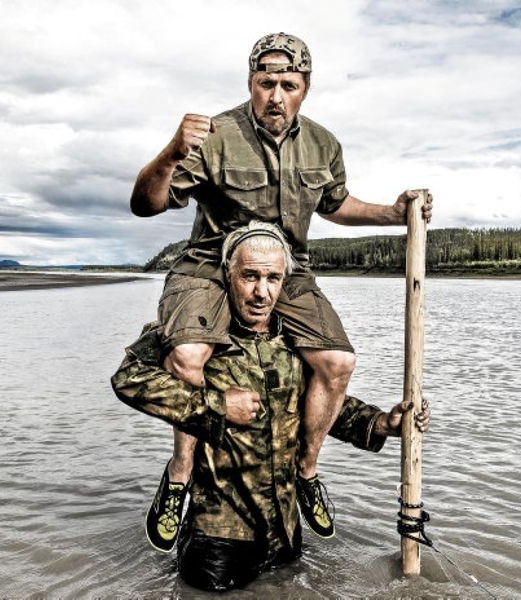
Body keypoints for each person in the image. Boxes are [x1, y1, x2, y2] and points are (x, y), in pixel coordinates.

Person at [129, 31, 434, 546]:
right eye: (264, 82)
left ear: (305, 88)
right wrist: (172, 151)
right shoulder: (217, 135)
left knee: (338, 363)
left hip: (286, 268)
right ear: (250, 82)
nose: (275, 95)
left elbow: (335, 204)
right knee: (187, 353)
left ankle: (307, 470)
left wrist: (395, 213)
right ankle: (180, 472)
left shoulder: (323, 143)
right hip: (210, 263)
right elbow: (146, 204)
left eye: (287, 84)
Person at [112, 222, 430, 591]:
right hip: (218, 537)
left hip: (285, 531)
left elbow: (321, 407)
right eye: (249, 277)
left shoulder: (298, 339)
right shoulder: (195, 334)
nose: (261, 292)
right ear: (228, 275)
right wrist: (216, 405)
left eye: (273, 279)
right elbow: (128, 379)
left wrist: (380, 423)